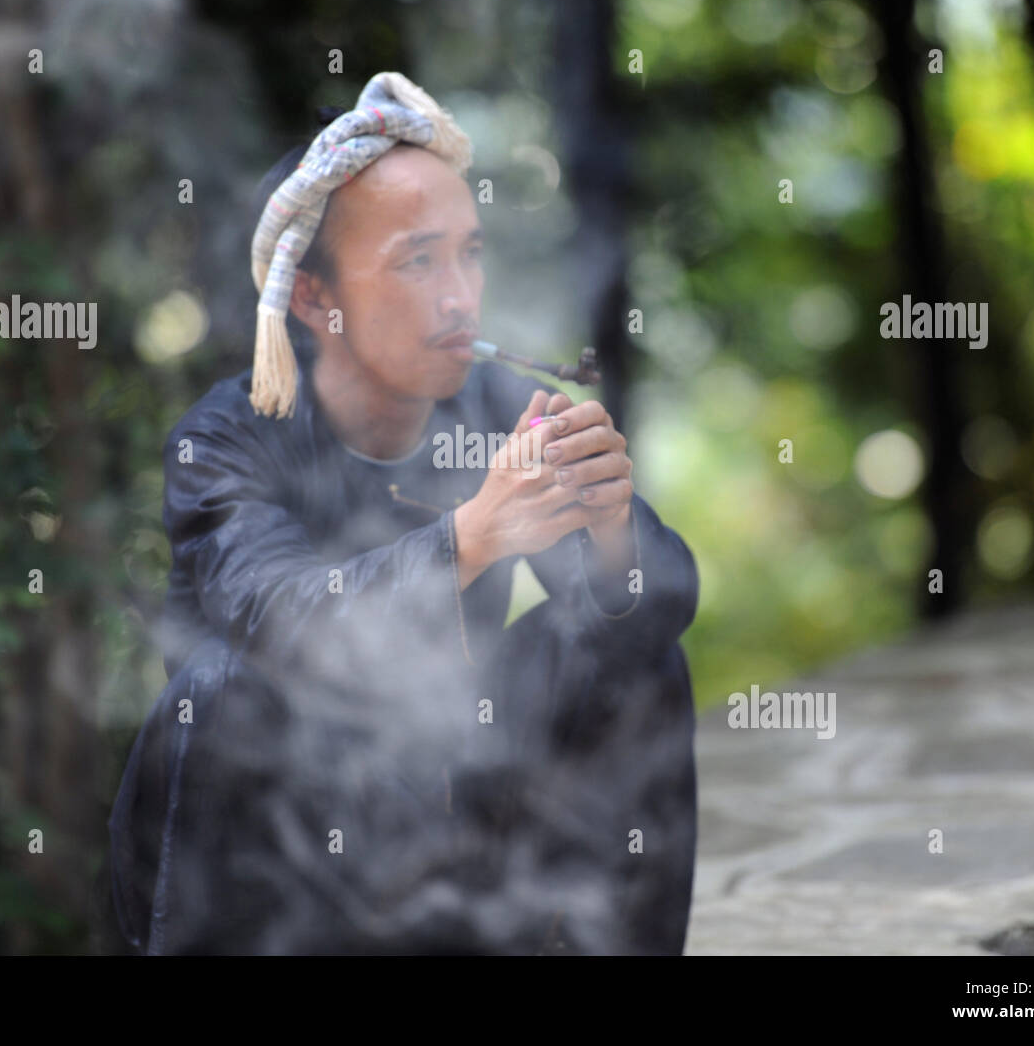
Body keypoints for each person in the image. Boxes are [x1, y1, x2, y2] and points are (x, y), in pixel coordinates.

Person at [108, 73, 699, 955]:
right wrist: (472, 536)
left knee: (630, 654)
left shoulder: (497, 406)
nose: (460, 295)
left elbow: (658, 607)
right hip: (282, 855)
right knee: (218, 686)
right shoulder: (225, 438)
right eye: (418, 260)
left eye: (470, 252)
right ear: (313, 297)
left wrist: (612, 527)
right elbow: (286, 625)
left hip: (455, 807)